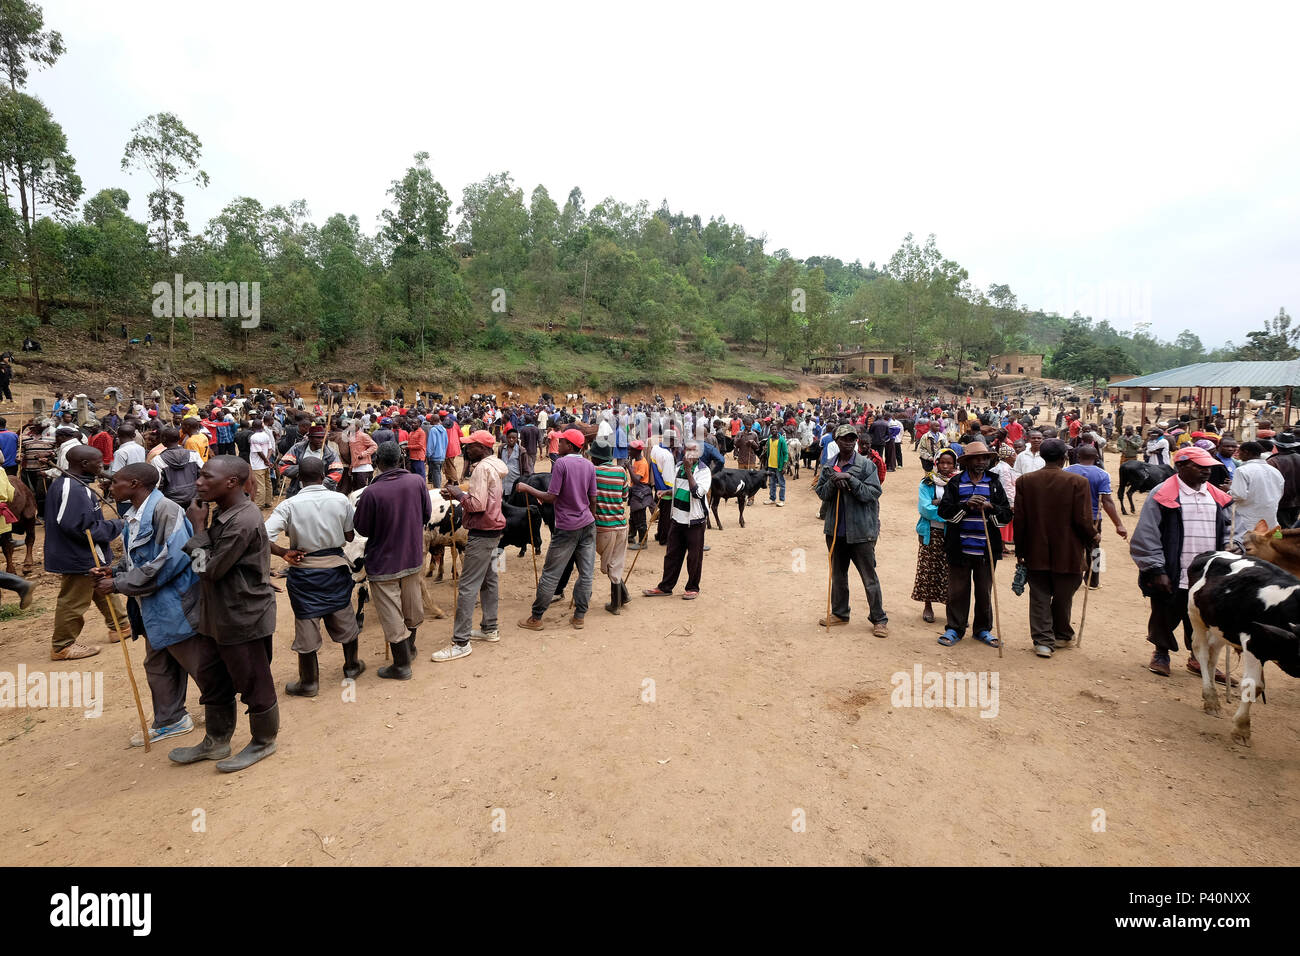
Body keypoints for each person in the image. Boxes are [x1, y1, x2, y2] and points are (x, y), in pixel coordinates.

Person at [171, 455, 280, 772]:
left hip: (241, 617)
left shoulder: (243, 521)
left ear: (231, 482)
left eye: (206, 477)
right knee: (213, 679)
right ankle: (217, 740)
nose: (198, 483)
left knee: (253, 681)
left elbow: (207, 570)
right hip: (215, 616)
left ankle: (263, 740)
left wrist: (197, 527)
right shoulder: (226, 512)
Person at [94, 463, 201, 746]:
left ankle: (222, 714)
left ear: (135, 484)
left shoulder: (166, 510)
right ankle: (171, 718)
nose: (110, 486)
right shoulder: (134, 515)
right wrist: (115, 572)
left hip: (173, 603)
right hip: (151, 605)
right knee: (158, 663)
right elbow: (137, 559)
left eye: (116, 482)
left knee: (197, 662)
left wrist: (120, 585)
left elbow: (171, 559)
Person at [1129, 445, 1233, 679]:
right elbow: (1146, 535)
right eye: (1200, 466)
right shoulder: (1162, 494)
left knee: (1203, 620)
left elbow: (1228, 530)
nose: (1207, 471)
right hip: (1173, 570)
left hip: (1207, 574)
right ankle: (1161, 653)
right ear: (1181, 466)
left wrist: (1230, 552)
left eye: (1209, 467)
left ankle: (1198, 659)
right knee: (1165, 614)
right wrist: (1156, 568)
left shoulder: (1216, 496)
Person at [265, 456, 362, 694]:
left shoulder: (289, 505)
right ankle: (351, 666)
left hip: (304, 572)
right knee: (344, 615)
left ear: (299, 478)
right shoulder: (340, 499)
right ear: (324, 477)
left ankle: (309, 682)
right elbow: (350, 536)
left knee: (306, 622)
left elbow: (263, 535)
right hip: (335, 570)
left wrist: (284, 552)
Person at [1014, 439, 1098, 657]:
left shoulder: (1025, 481)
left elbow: (1020, 520)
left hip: (1035, 548)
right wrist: (1093, 536)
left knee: (1040, 595)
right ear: (1064, 457)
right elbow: (1083, 520)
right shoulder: (1078, 482)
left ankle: (1043, 640)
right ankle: (1061, 634)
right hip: (1068, 551)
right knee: (1064, 595)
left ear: (1042, 456)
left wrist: (1020, 551)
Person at [353, 441, 430, 678]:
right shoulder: (417, 481)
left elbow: (362, 529)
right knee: (412, 606)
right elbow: (426, 515)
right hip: (412, 557)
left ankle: (402, 664)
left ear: (377, 463)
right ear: (401, 459)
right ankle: (411, 648)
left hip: (383, 562)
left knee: (392, 614)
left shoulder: (372, 492)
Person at [44, 445, 129, 661]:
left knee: (101, 586)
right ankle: (62, 645)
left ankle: (121, 626)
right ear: (84, 464)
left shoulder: (78, 484)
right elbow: (79, 526)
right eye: (98, 463)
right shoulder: (71, 488)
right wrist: (116, 526)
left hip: (89, 552)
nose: (102, 466)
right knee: (74, 599)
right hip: (77, 553)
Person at [435, 430, 507, 661]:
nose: (466, 449)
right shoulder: (496, 465)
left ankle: (461, 642)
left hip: (482, 531)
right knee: (489, 580)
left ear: (483, 448)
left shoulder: (481, 469)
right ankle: (490, 627)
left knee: (467, 587)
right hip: (494, 529)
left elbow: (476, 505)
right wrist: (461, 492)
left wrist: (458, 493)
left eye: (471, 445)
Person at [517, 429, 598, 629]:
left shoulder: (561, 464)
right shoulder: (589, 465)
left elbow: (551, 497)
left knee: (551, 573)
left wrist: (527, 488)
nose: (557, 445)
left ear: (569, 445)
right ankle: (579, 616)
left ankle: (536, 618)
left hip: (566, 527)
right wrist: (591, 518)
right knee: (586, 573)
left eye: (561, 442)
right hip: (587, 524)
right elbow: (593, 498)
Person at [936, 441, 1011, 648]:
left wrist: (990, 507)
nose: (982, 462)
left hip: (986, 548)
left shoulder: (994, 483)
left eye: (985, 458)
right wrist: (966, 506)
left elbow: (1006, 514)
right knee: (957, 591)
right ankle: (955, 628)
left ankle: (982, 630)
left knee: (984, 591)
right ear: (967, 461)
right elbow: (944, 511)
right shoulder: (956, 482)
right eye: (977, 458)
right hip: (959, 547)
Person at [642, 439, 712, 600]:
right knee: (672, 555)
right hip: (677, 518)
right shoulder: (678, 466)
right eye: (686, 450)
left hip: (695, 520)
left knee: (694, 557)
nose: (688, 454)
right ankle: (665, 586)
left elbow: (697, 493)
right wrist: (667, 492)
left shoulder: (703, 471)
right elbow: (679, 488)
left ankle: (692, 587)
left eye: (693, 451)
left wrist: (688, 471)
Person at [1066, 444, 1128, 589]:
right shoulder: (1102, 474)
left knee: (1071, 545)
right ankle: (1093, 581)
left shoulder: (1067, 471)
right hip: (1092, 518)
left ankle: (1070, 577)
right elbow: (1107, 501)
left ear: (1078, 457)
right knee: (1095, 548)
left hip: (1069, 516)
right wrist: (1118, 524)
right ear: (1096, 457)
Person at [912, 447, 957, 624]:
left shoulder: (958, 482)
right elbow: (925, 508)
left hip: (952, 534)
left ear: (954, 464)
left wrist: (940, 504)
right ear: (936, 463)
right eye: (942, 462)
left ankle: (951, 609)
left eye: (949, 463)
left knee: (951, 572)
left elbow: (960, 505)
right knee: (928, 570)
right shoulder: (928, 483)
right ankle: (928, 605)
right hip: (930, 533)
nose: (945, 466)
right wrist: (948, 512)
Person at [590, 438, 631, 614]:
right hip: (621, 525)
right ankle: (623, 595)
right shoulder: (621, 471)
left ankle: (616, 605)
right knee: (616, 563)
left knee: (609, 565)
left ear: (597, 458)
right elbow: (624, 497)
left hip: (603, 526)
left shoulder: (593, 472)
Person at [1228, 441, 1284, 546]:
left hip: (1248, 521)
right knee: (1269, 548)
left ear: (1246, 452)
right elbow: (1279, 493)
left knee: (1249, 550)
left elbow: (1239, 495)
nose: (1238, 455)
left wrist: (1227, 490)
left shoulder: (1241, 470)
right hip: (1270, 519)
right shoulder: (1274, 471)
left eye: (1239, 452)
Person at [278, 424, 343, 497]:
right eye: (318, 438)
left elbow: (337, 472)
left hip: (322, 493)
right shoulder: (297, 448)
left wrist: (321, 484)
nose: (321, 440)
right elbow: (283, 465)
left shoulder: (331, 453)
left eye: (323, 438)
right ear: (310, 438)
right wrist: (302, 470)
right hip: (298, 491)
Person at [626, 440, 653, 550]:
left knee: (640, 518)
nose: (628, 451)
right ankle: (631, 536)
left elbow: (637, 480)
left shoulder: (642, 463)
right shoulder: (636, 461)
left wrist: (628, 467)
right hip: (636, 491)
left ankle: (643, 542)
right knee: (633, 517)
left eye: (630, 450)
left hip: (641, 491)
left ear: (636, 451)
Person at [763, 426, 788, 506]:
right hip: (771, 465)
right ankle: (772, 498)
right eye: (772, 429)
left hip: (779, 466)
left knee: (781, 483)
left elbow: (785, 453)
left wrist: (784, 466)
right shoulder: (770, 438)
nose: (774, 430)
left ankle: (782, 500)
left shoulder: (781, 440)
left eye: (775, 429)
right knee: (772, 483)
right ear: (770, 431)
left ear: (778, 430)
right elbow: (768, 451)